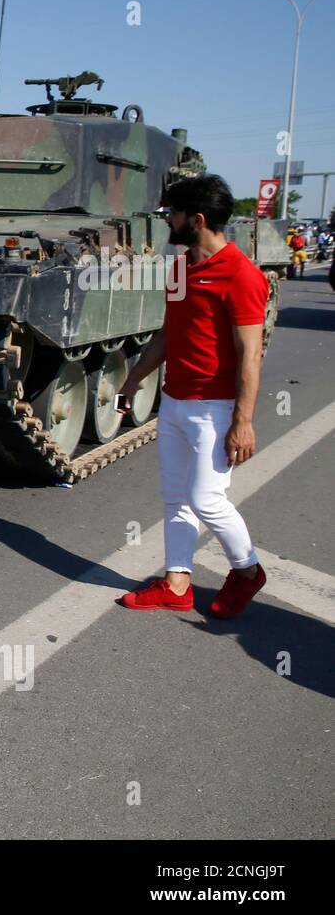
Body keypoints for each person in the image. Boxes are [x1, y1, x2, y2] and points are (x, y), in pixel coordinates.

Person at [117, 175, 267, 618]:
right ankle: (177, 583)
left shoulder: (242, 276)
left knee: (207, 500)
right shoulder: (182, 268)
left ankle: (247, 570)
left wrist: (243, 420)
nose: (168, 219)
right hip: (176, 402)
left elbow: (250, 355)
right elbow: (170, 333)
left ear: (196, 220)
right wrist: (133, 380)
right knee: (175, 497)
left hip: (215, 410)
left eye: (174, 213)